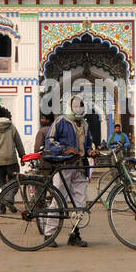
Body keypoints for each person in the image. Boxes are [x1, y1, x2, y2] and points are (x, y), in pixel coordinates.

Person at [45, 97, 94, 247]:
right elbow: (50, 139)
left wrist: (90, 151)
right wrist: (64, 149)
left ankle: (75, 233)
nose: (78, 108)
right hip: (64, 166)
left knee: (80, 203)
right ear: (70, 107)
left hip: (80, 167)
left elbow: (87, 144)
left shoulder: (84, 124)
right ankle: (49, 235)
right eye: (75, 106)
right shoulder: (61, 121)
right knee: (58, 200)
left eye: (80, 105)